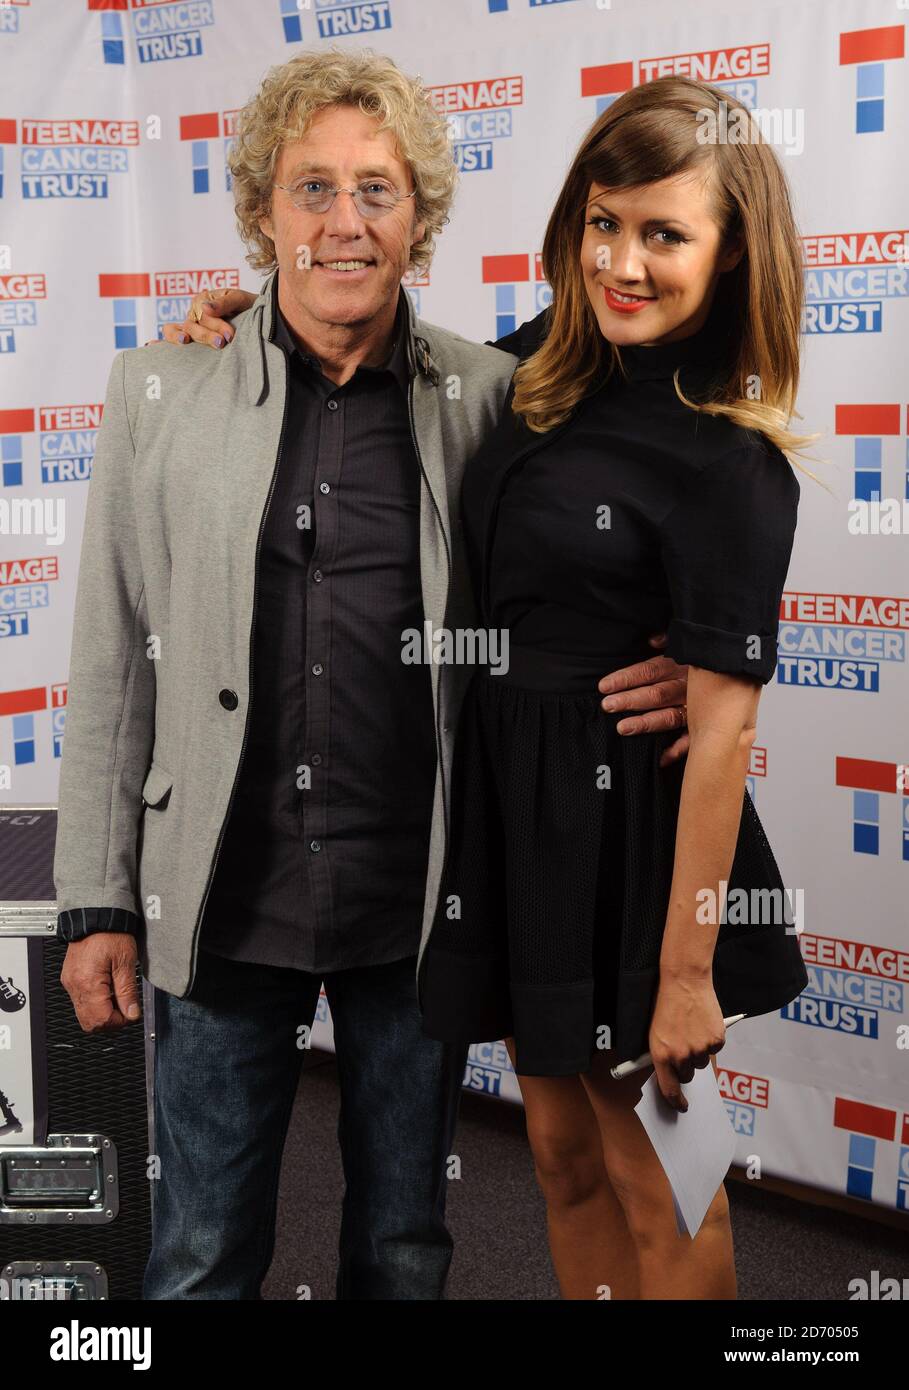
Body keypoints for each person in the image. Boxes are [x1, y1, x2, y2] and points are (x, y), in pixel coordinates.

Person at [53, 48, 690, 1301]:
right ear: (262, 212)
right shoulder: (160, 389)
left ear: (421, 219)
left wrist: (682, 662)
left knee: (405, 1248)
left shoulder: (496, 395)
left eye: (380, 192)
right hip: (223, 898)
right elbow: (114, 656)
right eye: (312, 190)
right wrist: (95, 898)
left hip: (422, 904)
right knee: (197, 1255)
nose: (346, 223)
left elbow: (597, 555)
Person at [176, 74, 816, 1301]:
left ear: (734, 257)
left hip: (642, 857)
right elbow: (381, 345)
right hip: (520, 836)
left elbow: (727, 739)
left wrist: (688, 973)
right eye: (604, 223)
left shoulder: (733, 457)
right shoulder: (534, 371)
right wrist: (238, 324)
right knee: (565, 1159)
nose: (625, 263)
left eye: (666, 234)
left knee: (671, 1185)